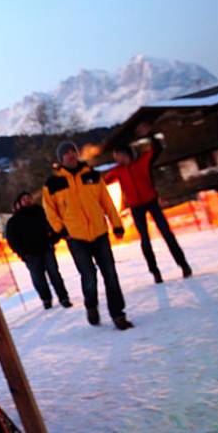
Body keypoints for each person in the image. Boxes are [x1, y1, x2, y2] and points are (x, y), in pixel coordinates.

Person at [42, 141, 134, 330]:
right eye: (66, 153)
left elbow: (106, 202)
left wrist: (116, 224)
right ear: (60, 159)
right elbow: (50, 211)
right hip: (76, 238)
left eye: (73, 151)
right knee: (89, 276)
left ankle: (118, 315)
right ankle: (91, 306)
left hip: (99, 233)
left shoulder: (93, 175)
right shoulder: (52, 184)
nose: (71, 155)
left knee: (110, 274)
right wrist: (61, 230)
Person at [103, 126, 192, 283]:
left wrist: (150, 135)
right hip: (136, 208)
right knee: (145, 240)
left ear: (125, 154)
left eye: (118, 156)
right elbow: (101, 182)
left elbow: (156, 148)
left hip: (152, 203)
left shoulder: (142, 161)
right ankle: (155, 272)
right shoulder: (117, 171)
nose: (116, 159)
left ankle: (183, 265)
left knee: (167, 234)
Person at [5, 192, 71, 310]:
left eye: (28, 198)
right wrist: (21, 253)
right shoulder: (14, 221)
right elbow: (12, 240)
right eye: (24, 199)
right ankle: (46, 299)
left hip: (46, 249)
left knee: (55, 274)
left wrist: (54, 240)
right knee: (38, 278)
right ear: (19, 203)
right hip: (30, 254)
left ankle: (64, 297)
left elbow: (53, 225)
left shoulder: (41, 212)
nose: (27, 200)